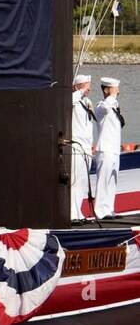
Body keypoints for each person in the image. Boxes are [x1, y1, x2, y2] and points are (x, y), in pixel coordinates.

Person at [93, 78, 125, 218]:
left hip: (114, 150)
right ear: (106, 90)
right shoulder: (102, 106)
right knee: (103, 181)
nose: (118, 91)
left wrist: (114, 99)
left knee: (112, 181)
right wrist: (111, 96)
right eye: (114, 88)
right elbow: (105, 107)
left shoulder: (114, 106)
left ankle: (109, 209)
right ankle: (100, 211)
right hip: (105, 149)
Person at [70, 73, 95, 220]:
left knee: (83, 182)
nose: (88, 90)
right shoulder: (73, 99)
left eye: (88, 86)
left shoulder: (85, 102)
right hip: (77, 146)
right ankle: (72, 214)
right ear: (77, 87)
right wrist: (79, 91)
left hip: (86, 147)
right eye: (85, 86)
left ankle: (78, 211)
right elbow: (70, 100)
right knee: (75, 180)